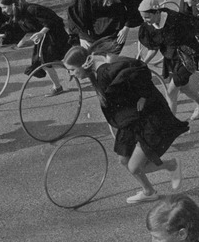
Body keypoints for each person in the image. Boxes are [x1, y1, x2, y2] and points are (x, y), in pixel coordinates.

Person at [63, 46, 187, 205]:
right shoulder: (97, 75)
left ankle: (172, 165)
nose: (71, 75)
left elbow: (140, 69)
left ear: (85, 64)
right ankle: (149, 191)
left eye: (72, 70)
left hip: (148, 118)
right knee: (124, 159)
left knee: (134, 166)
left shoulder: (106, 71)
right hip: (129, 122)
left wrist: (143, 96)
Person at [137, 0, 199, 121]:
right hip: (171, 58)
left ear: (157, 12)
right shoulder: (148, 26)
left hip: (188, 55)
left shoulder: (176, 19)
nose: (145, 20)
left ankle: (171, 124)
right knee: (184, 87)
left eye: (147, 17)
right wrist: (142, 63)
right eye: (143, 17)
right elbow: (153, 49)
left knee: (171, 91)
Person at [0, 0, 68, 95]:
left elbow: (53, 20)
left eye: (4, 7)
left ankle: (58, 86)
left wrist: (41, 33)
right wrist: (3, 37)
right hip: (43, 37)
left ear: (12, 5)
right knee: (47, 61)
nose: (3, 11)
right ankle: (70, 70)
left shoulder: (31, 9)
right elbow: (17, 30)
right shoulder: (17, 15)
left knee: (45, 61)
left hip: (55, 34)